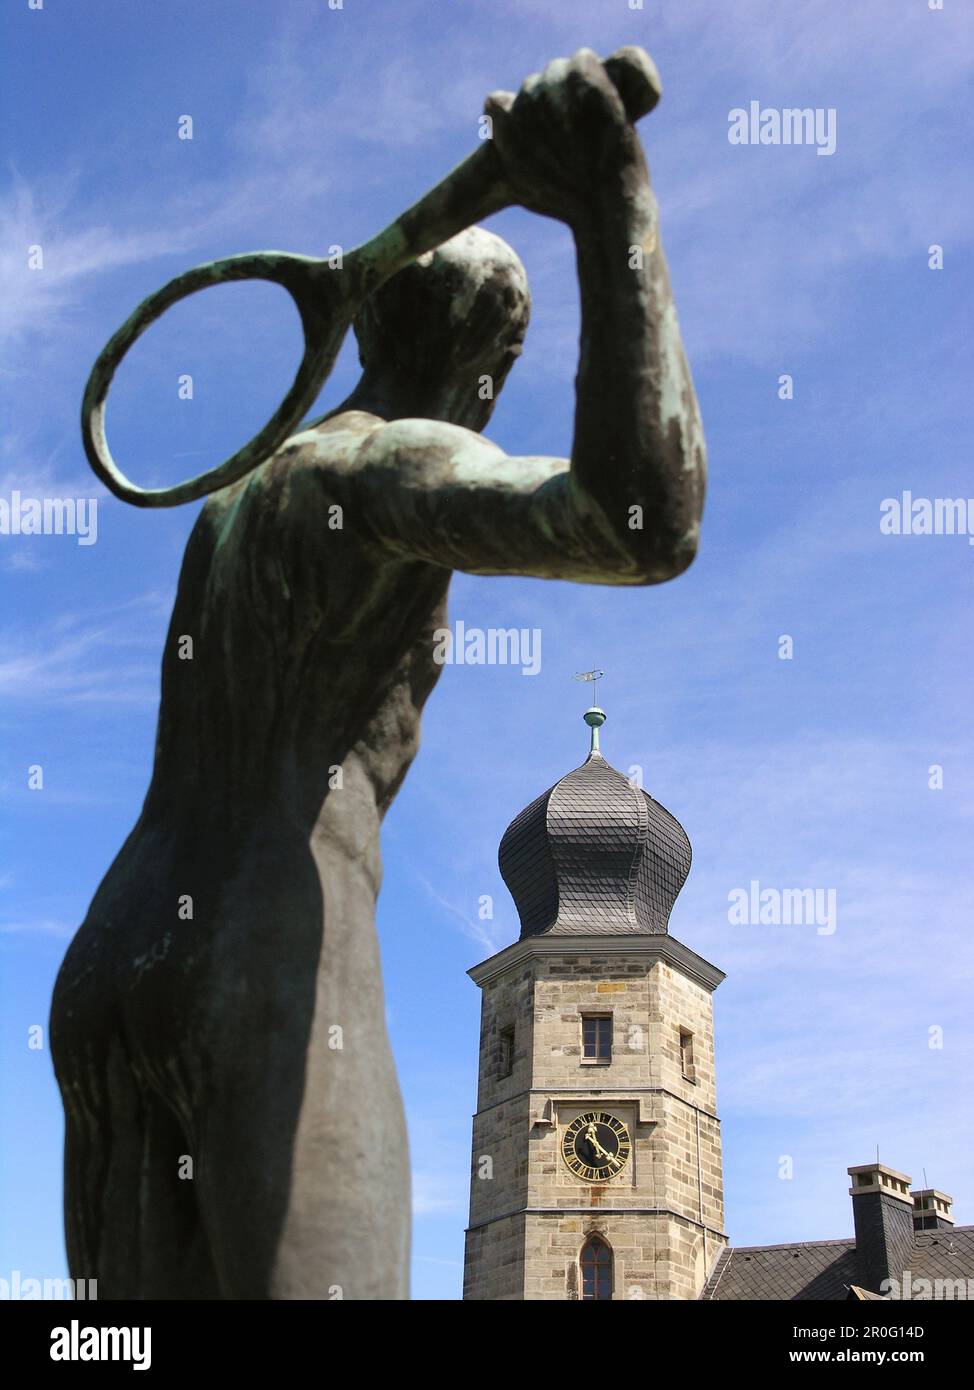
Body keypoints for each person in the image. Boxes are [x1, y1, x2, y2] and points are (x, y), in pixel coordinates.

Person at [51, 48, 706, 1300]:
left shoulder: (251, 486)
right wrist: (613, 204)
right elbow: (639, 523)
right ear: (485, 374)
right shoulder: (385, 466)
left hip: (113, 953)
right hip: (269, 926)